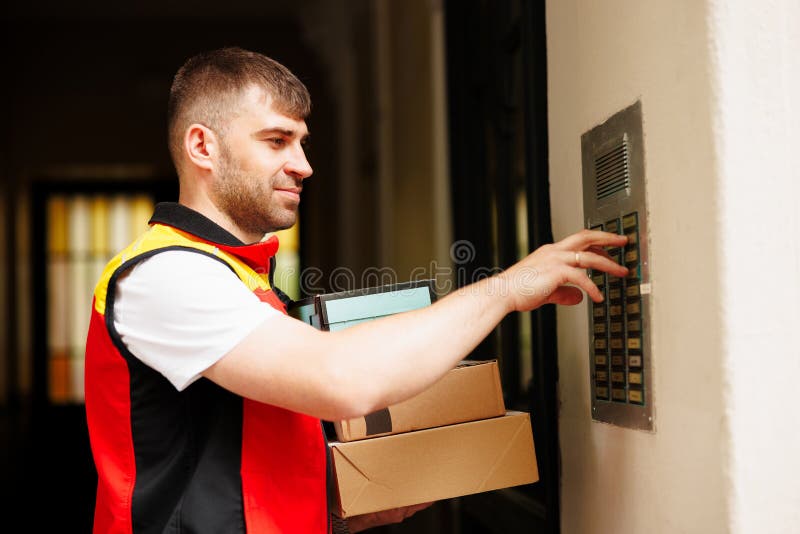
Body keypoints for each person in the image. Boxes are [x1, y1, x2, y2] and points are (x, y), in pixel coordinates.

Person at [84, 47, 627, 534]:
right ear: (203, 146)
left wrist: (338, 512)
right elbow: (341, 379)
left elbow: (229, 476)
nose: (304, 165)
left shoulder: (237, 274)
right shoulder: (165, 274)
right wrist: (507, 288)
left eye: (302, 142)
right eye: (277, 140)